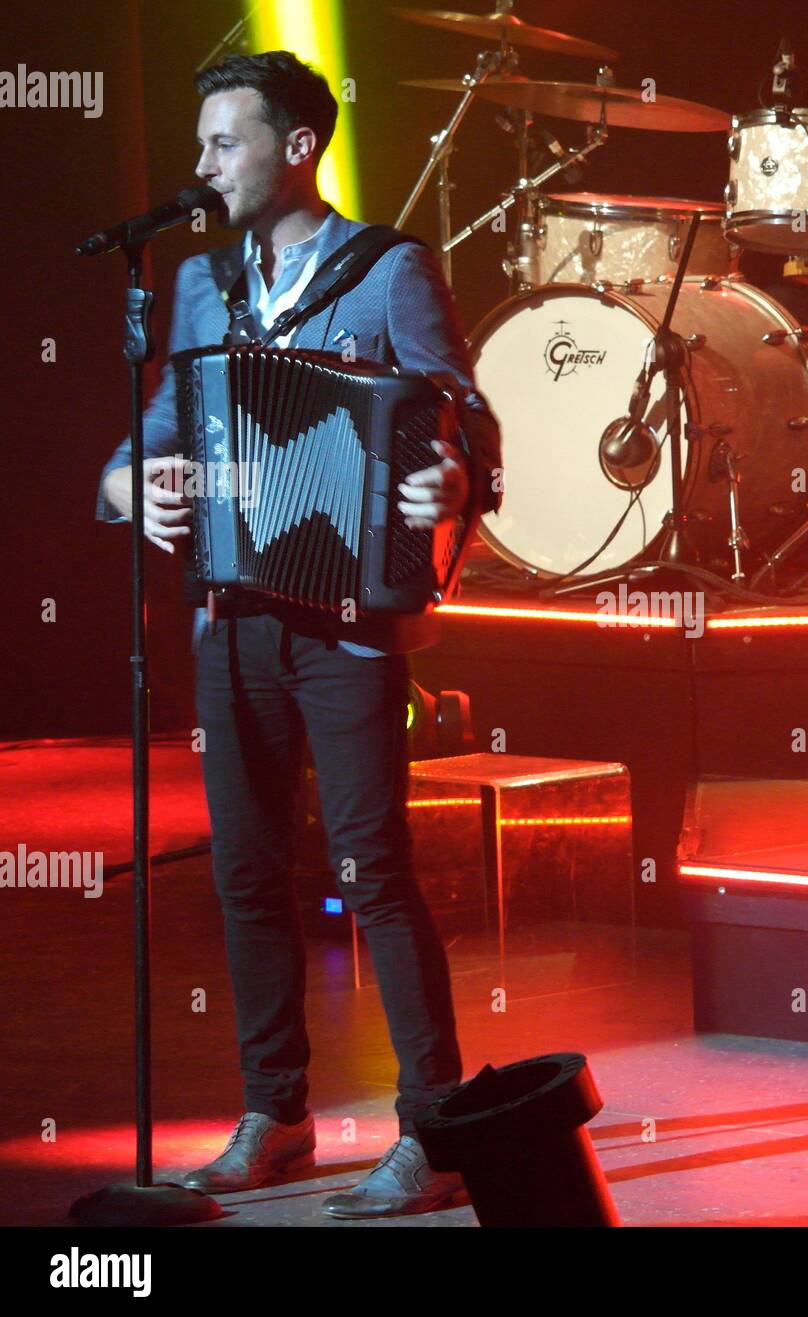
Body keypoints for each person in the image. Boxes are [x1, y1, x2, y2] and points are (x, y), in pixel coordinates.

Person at [96, 51, 502, 1218]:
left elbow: (459, 412)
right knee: (242, 874)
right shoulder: (198, 283)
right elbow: (157, 431)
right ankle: (275, 1114)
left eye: (225, 144)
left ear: (297, 147)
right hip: (233, 618)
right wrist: (137, 489)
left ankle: (435, 1129)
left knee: (373, 868)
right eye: (202, 145)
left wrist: (450, 478)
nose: (202, 166)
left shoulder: (388, 272)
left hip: (349, 622)